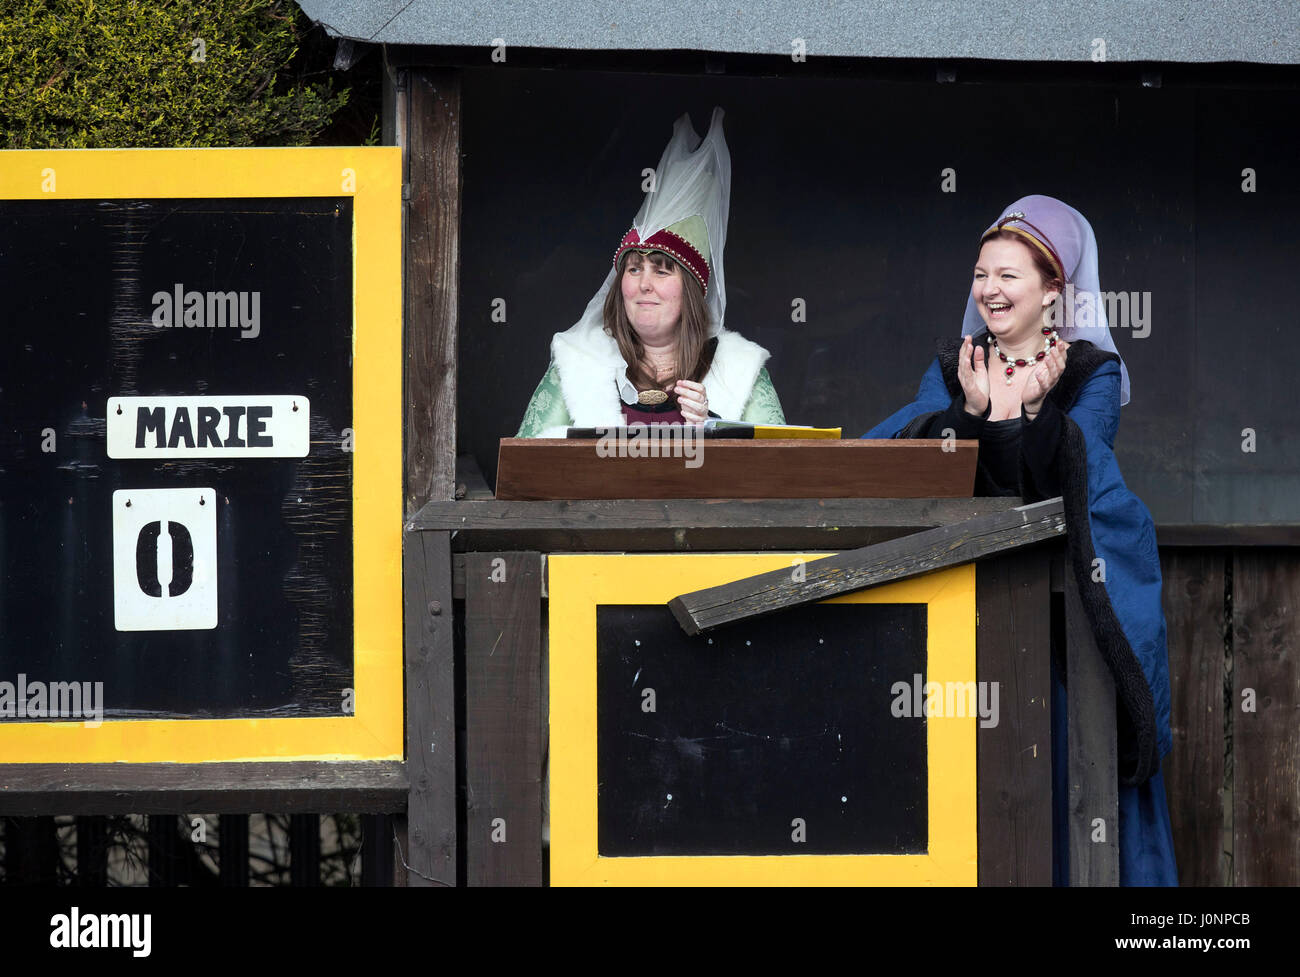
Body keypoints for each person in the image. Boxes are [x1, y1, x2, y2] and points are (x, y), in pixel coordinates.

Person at [862, 195, 1178, 886]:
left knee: (1067, 780)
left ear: (1051, 292)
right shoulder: (952, 370)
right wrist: (969, 414)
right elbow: (917, 460)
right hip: (964, 614)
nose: (988, 290)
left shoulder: (1090, 371)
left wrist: (1034, 412)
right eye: (981, 274)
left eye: (1008, 275)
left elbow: (1072, 476)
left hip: (1065, 630)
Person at [515, 108, 785, 438]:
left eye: (662, 271)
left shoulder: (739, 371)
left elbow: (782, 476)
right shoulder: (577, 365)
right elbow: (526, 472)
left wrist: (714, 429)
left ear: (692, 289)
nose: (644, 284)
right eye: (633, 268)